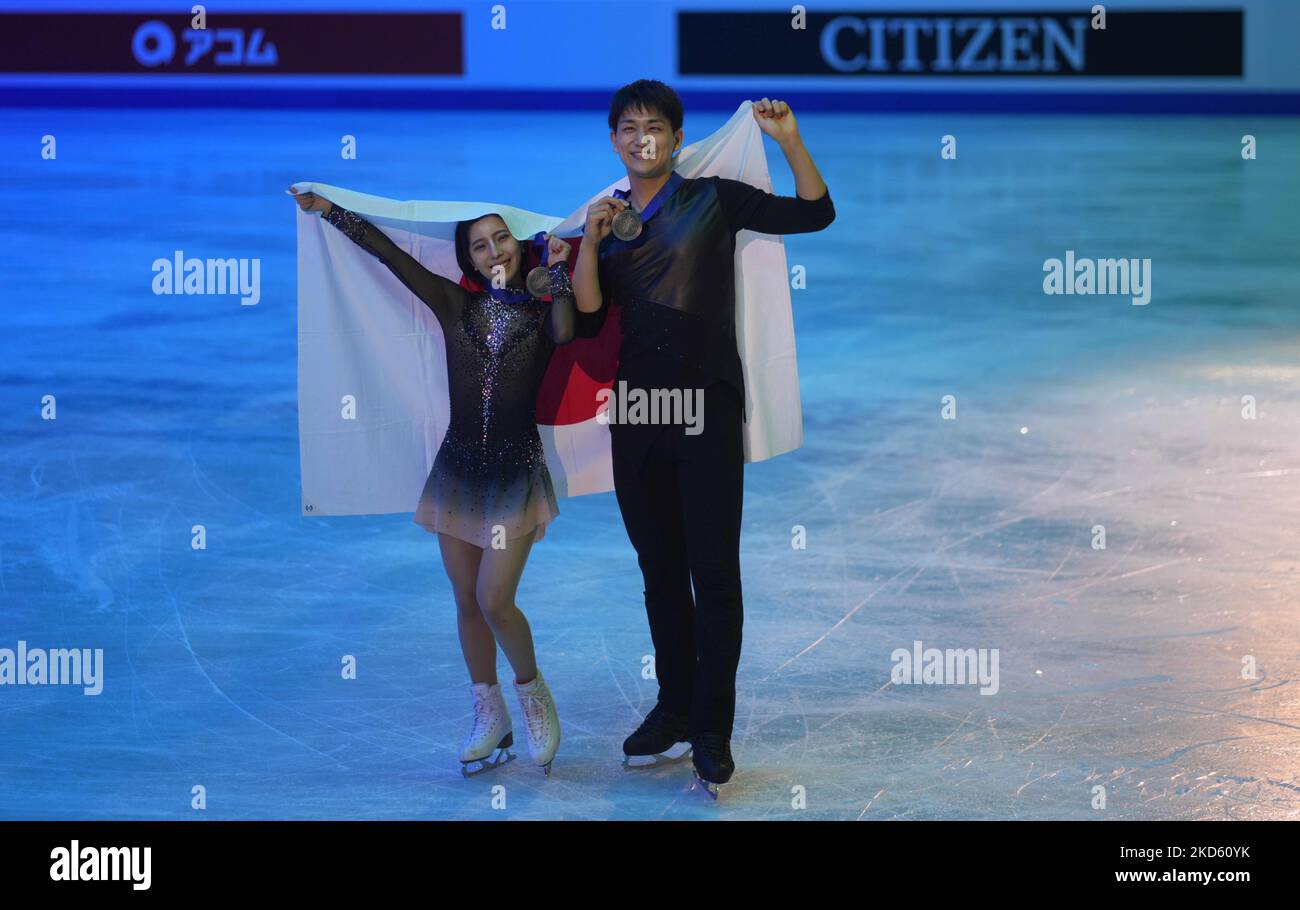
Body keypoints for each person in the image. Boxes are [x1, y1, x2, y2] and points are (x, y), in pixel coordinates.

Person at [571, 81, 836, 797]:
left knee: (712, 572)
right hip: (638, 414)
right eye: (627, 127)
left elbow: (817, 213)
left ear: (677, 139)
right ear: (614, 140)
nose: (640, 137)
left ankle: (712, 728)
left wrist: (789, 143)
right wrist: (589, 247)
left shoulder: (714, 199)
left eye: (653, 126)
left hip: (706, 408)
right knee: (659, 568)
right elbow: (589, 322)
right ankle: (674, 707)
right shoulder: (607, 221)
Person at [291, 186, 587, 777]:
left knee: (494, 599)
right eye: (479, 245)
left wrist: (555, 275)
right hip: (457, 472)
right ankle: (489, 711)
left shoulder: (540, 307)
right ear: (468, 259)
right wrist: (332, 212)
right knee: (466, 600)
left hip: (513, 475)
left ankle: (532, 694)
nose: (493, 250)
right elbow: (390, 257)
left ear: (518, 244)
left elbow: (565, 333)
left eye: (501, 237)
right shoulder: (454, 305)